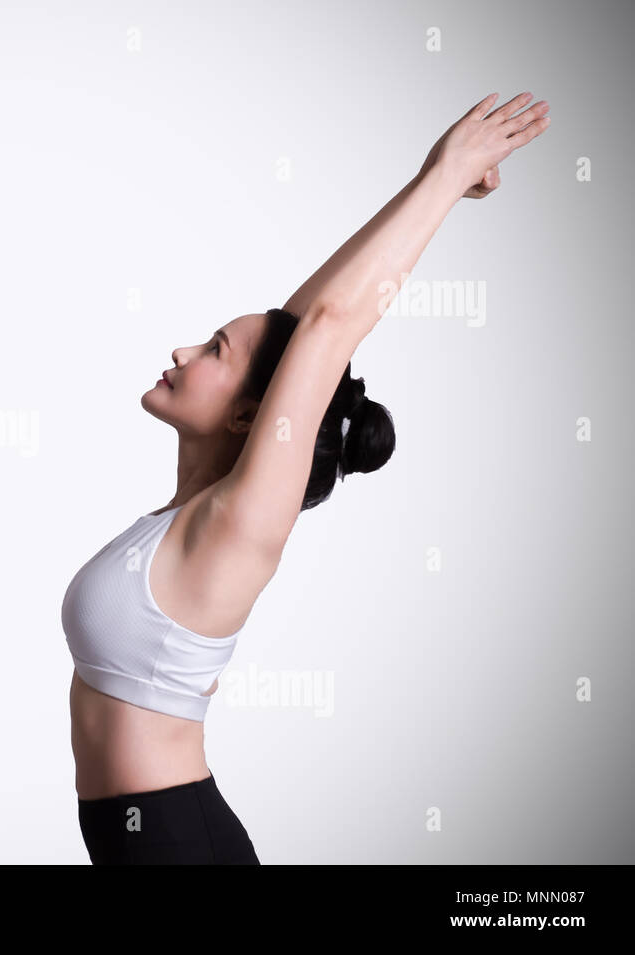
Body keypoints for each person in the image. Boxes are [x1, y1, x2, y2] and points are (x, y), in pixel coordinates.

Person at [62, 92, 551, 864]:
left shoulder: (237, 523)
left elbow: (330, 328)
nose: (185, 351)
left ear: (251, 418)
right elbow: (305, 323)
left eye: (215, 350)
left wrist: (445, 170)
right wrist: (439, 188)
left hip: (176, 844)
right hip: (146, 839)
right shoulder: (185, 515)